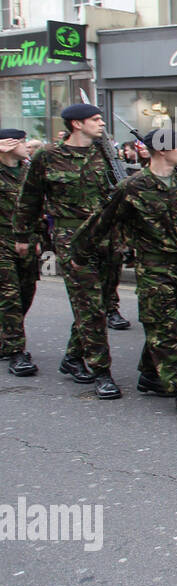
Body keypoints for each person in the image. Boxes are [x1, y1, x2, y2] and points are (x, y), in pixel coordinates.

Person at [70, 129, 177, 416]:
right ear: (161, 151)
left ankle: (150, 373)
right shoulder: (132, 186)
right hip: (154, 266)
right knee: (164, 325)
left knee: (176, 323)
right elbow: (100, 221)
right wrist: (78, 254)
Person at [12, 103, 120, 399]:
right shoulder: (48, 156)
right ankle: (101, 371)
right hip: (71, 237)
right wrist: (22, 235)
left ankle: (73, 357)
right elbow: (29, 198)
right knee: (90, 305)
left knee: (99, 301)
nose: (101, 124)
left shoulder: (106, 153)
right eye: (94, 120)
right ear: (76, 124)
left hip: (107, 235)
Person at [0, 130, 38, 376]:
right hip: (2, 242)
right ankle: (16, 351)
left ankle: (6, 335)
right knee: (9, 295)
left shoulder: (29, 171)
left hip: (28, 241)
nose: (26, 146)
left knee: (26, 290)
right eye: (22, 142)